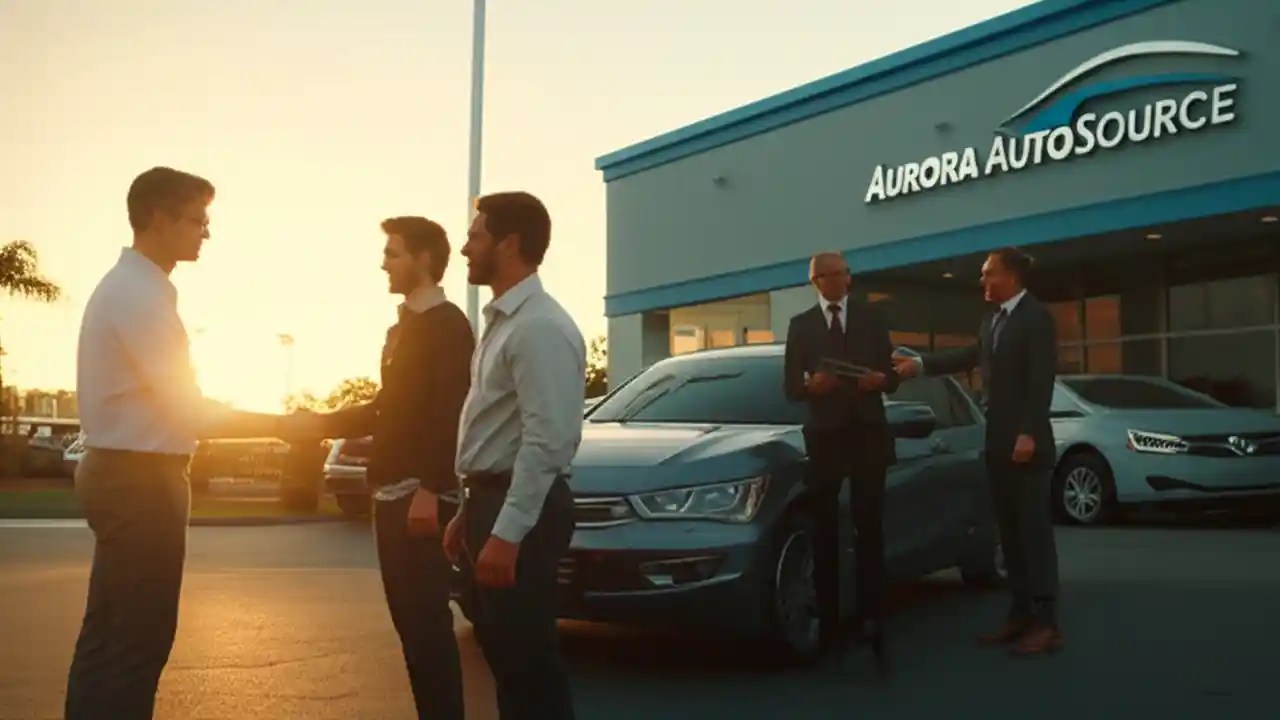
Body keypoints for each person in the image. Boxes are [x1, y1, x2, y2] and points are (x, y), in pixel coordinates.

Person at [67, 166, 315, 719]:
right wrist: (290, 426)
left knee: (110, 633)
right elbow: (189, 408)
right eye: (197, 220)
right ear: (158, 218)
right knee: (137, 641)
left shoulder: (135, 287)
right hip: (140, 479)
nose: (206, 233)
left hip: (125, 471)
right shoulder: (138, 295)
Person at [316, 216, 473, 720]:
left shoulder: (449, 325)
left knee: (426, 624)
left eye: (394, 253)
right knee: (409, 622)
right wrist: (314, 423)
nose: (384, 263)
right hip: (388, 493)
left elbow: (451, 410)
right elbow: (390, 405)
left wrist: (432, 489)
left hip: (419, 495)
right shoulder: (398, 328)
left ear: (424, 260)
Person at [445, 191, 584, 720]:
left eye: (476, 235)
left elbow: (546, 440)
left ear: (510, 243)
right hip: (493, 504)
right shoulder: (505, 322)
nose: (464, 248)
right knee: (507, 660)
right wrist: (469, 507)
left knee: (529, 666)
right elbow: (499, 430)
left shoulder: (539, 327)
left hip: (520, 511)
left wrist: (507, 532)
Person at [893, 246, 1062, 656]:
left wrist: (1029, 433)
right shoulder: (993, 321)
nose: (982, 281)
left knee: (1033, 534)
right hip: (997, 443)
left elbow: (1041, 383)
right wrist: (918, 366)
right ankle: (1019, 615)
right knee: (1010, 535)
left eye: (989, 274)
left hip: (1026, 446)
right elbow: (968, 356)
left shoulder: (1035, 319)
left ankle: (1047, 623)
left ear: (1012, 277)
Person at [783, 251, 898, 671]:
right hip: (826, 437)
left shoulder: (871, 319)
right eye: (829, 276)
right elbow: (790, 387)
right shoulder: (801, 326)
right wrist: (811, 385)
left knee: (870, 527)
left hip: (868, 431)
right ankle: (829, 625)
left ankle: (873, 619)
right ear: (816, 281)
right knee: (826, 532)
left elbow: (892, 372)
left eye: (844, 274)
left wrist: (882, 380)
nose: (838, 281)